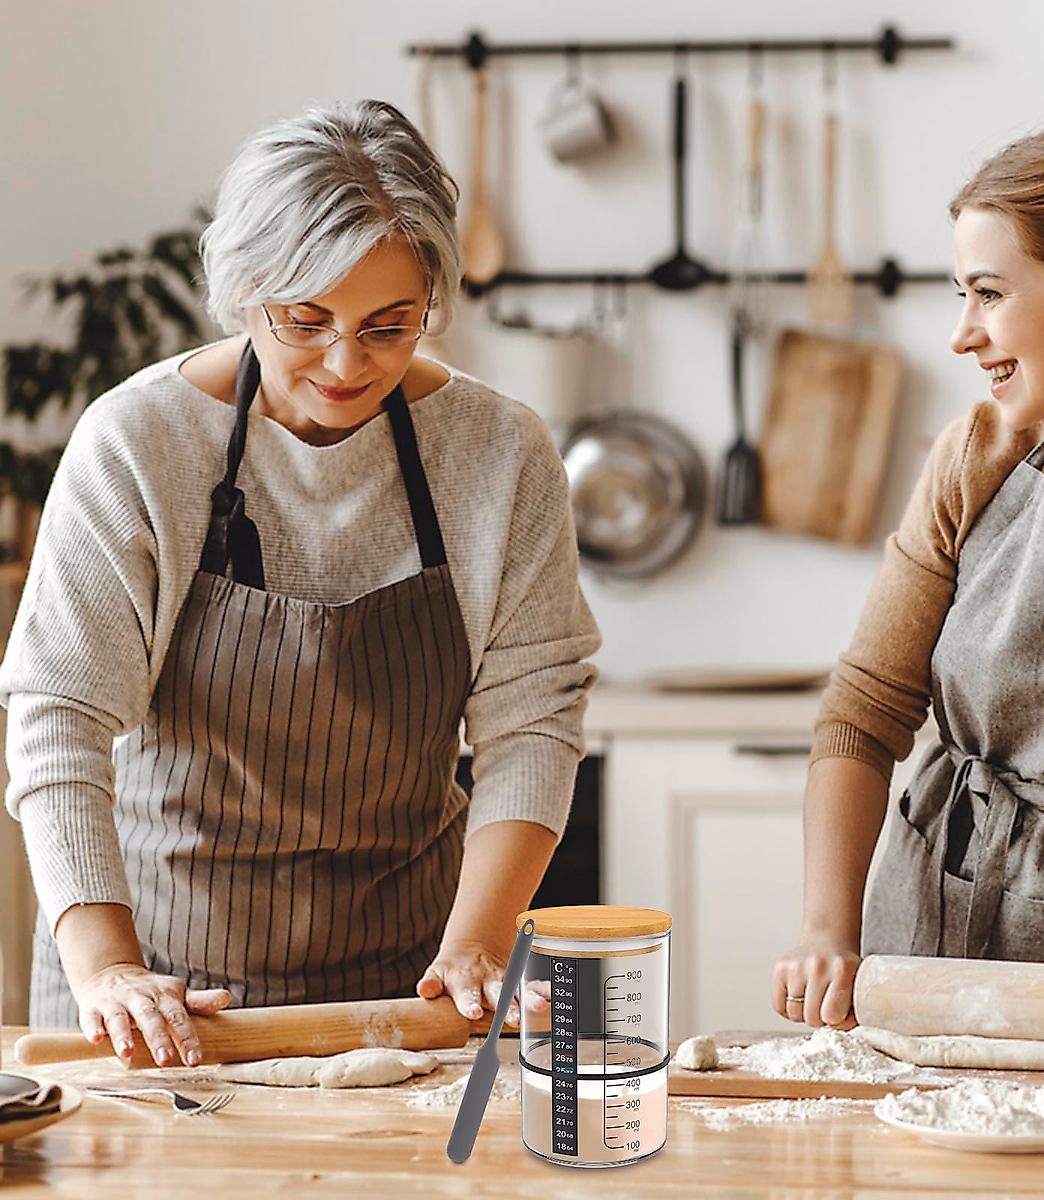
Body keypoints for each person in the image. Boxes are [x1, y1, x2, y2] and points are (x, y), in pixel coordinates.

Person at [0, 99, 599, 1067]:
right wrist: (105, 966)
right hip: (160, 999)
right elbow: (58, 714)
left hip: (407, 994)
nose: (345, 361)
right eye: (306, 319)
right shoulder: (138, 445)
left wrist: (479, 943)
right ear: (243, 291)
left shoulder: (499, 453)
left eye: (389, 325)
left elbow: (535, 716)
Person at [771, 110, 1044, 1067]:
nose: (963, 335)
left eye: (990, 294)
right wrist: (826, 930)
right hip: (922, 959)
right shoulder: (974, 460)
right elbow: (864, 711)